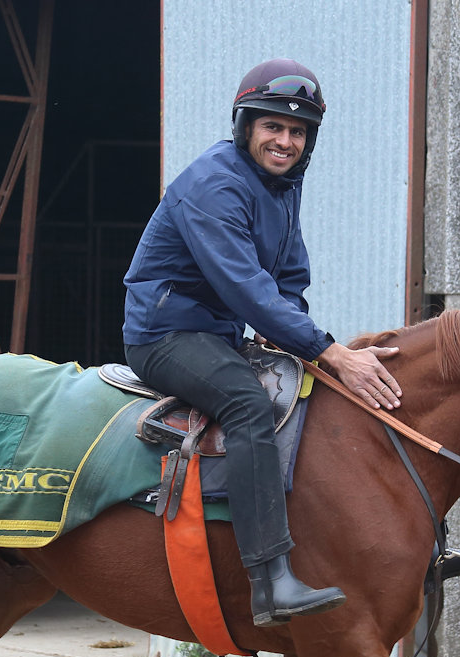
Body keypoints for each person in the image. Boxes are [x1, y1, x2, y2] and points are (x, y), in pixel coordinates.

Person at [123, 58, 404, 627]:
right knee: (248, 405)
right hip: (167, 335)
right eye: (273, 126)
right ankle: (270, 579)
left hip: (220, 336)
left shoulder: (281, 188)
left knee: (314, 393)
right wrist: (329, 350)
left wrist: (306, 349)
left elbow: (288, 281)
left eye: (297, 132)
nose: (285, 141)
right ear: (246, 126)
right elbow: (247, 288)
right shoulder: (214, 182)